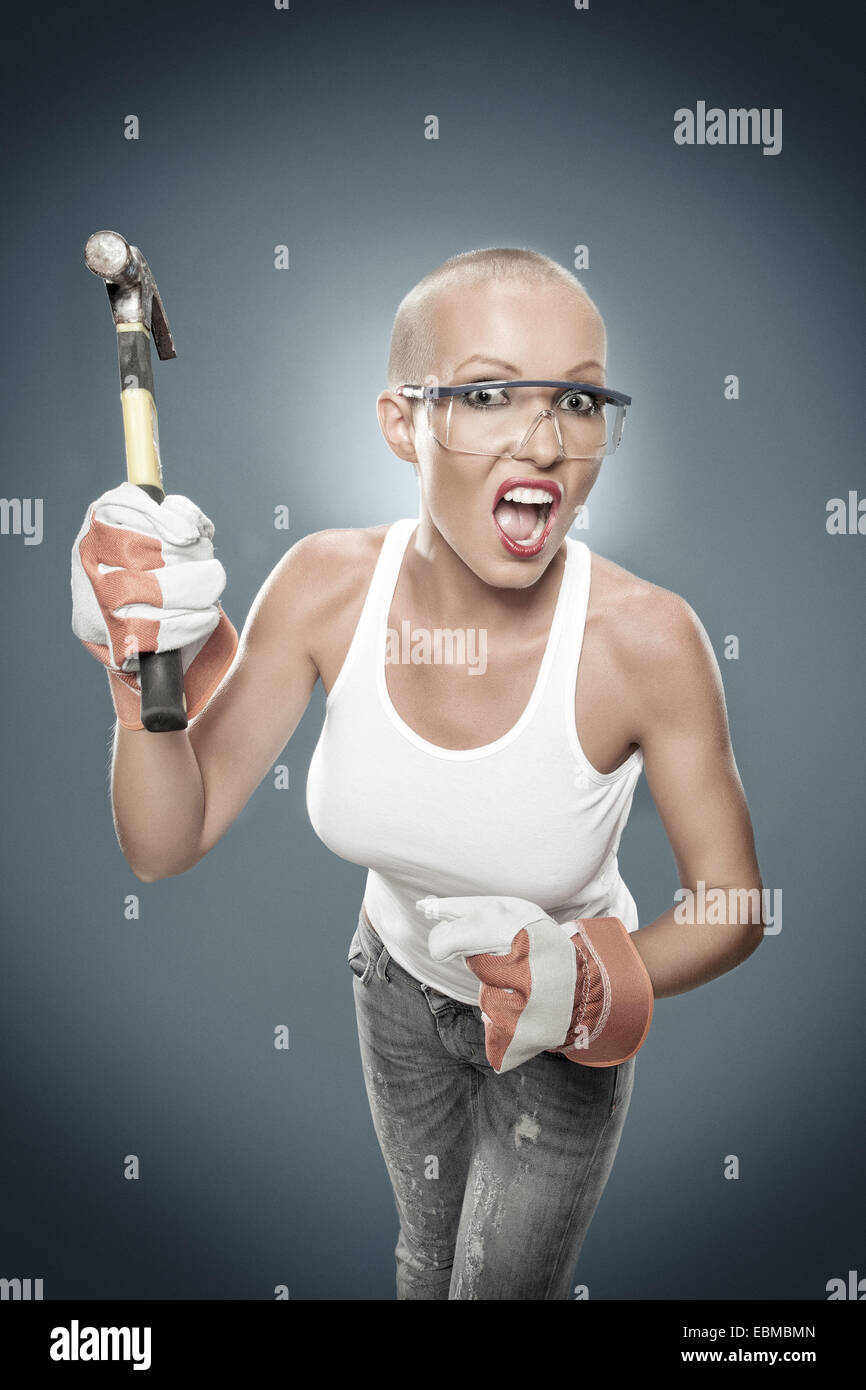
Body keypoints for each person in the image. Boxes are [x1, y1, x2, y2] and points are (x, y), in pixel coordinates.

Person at [71, 246, 765, 1300]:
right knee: (422, 1260)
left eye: (576, 399)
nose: (543, 439)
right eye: (487, 393)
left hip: (560, 1041)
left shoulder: (647, 640)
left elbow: (734, 902)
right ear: (403, 421)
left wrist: (590, 978)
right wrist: (135, 676)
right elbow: (165, 840)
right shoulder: (324, 587)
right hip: (390, 989)